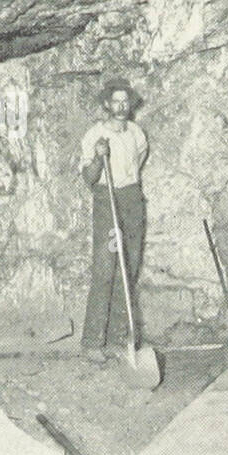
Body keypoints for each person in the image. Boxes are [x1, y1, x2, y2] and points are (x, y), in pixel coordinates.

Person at [79, 77, 149, 361]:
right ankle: (92, 343)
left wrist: (127, 185)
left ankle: (121, 340)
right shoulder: (94, 135)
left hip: (131, 199)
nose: (121, 106)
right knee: (106, 269)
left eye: (125, 101)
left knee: (128, 269)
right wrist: (98, 157)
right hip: (107, 200)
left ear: (130, 104)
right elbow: (88, 177)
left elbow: (139, 160)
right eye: (115, 101)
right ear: (107, 103)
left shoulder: (136, 133)